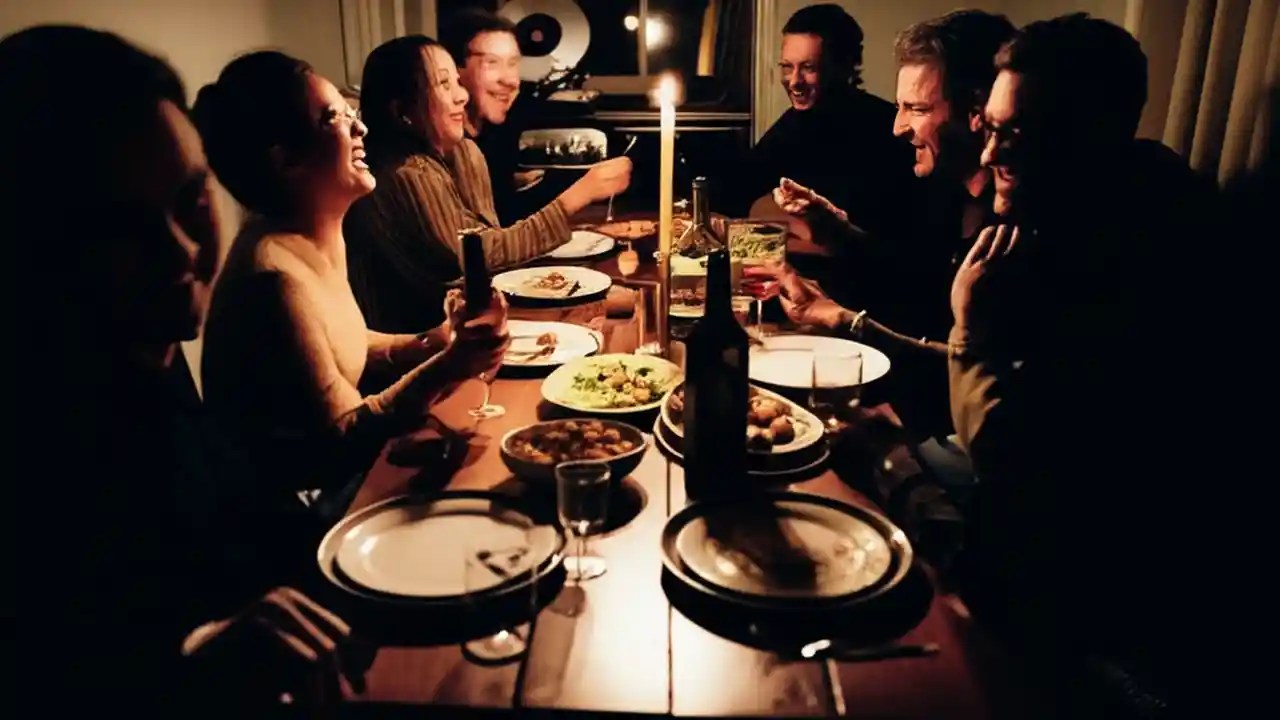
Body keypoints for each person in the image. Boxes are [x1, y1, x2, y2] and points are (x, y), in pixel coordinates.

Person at [4, 25, 360, 712]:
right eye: (118, 228)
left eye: (191, 200)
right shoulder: (35, 430)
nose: (180, 253)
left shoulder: (151, 356)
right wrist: (190, 666)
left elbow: (237, 525)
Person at [949, 14, 1216, 715]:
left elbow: (1008, 461)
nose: (987, 157)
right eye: (990, 126)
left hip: (1080, 606)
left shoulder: (1143, 259)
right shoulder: (1087, 207)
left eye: (1018, 134)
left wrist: (968, 332)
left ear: (1091, 137)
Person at [195, 50, 509, 501]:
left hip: (342, 481)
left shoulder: (310, 233)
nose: (361, 128)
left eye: (352, 112)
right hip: (298, 515)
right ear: (287, 162)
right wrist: (449, 366)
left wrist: (433, 340)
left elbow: (348, 340)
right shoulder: (272, 277)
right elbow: (342, 433)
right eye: (334, 119)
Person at [754, 10, 1016, 437]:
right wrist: (838, 232)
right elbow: (905, 273)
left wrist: (845, 320)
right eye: (899, 107)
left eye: (916, 108)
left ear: (977, 111)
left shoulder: (1016, 223)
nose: (897, 128)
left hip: (928, 441)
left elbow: (975, 376)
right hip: (894, 405)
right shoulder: (942, 189)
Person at [344, 34, 632, 333]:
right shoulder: (404, 172)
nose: (462, 96)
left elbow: (488, 241)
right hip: (421, 349)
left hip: (465, 327)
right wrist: (581, 194)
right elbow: (483, 256)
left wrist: (465, 152)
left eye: (457, 82)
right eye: (444, 84)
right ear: (401, 110)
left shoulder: (446, 155)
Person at [722, 3, 914, 242]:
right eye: (786, 67)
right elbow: (740, 196)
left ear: (845, 67)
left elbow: (888, 242)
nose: (794, 82)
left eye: (808, 68)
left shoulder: (889, 130)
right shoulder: (791, 124)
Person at [441, 7, 569, 226]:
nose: (511, 81)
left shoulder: (495, 130)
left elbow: (501, 206)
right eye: (492, 62)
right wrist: (583, 193)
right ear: (455, 68)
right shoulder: (443, 146)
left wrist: (508, 182)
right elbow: (486, 238)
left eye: (513, 63)